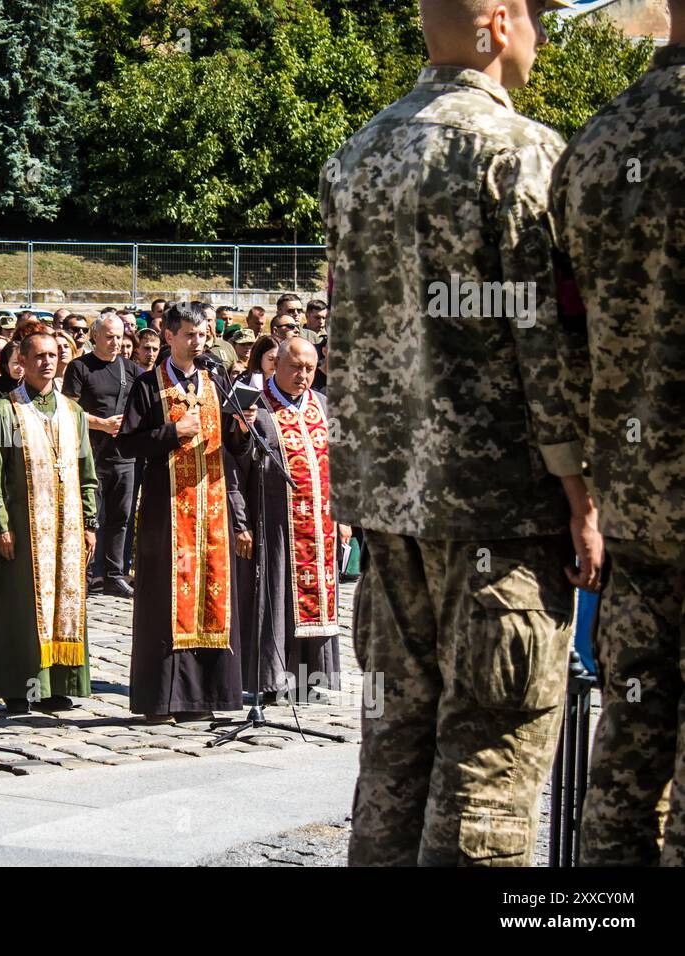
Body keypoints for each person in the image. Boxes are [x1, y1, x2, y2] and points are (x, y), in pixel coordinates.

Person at [320, 0, 600, 867]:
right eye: (537, 19)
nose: (543, 39)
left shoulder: (357, 155)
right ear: (499, 21)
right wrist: (582, 496)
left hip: (389, 515)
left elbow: (346, 336)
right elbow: (546, 348)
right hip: (500, 520)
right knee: (488, 770)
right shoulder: (518, 155)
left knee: (392, 761)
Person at [550, 0, 685, 865]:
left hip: (634, 510)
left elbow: (558, 342)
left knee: (627, 753)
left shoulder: (595, 146)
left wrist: (583, 492)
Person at [117, 302, 249, 722]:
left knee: (212, 595)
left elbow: (236, 446)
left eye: (204, 335)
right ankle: (161, 698)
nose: (199, 342)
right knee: (164, 600)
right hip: (166, 513)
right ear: (169, 336)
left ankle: (205, 695)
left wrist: (241, 428)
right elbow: (126, 443)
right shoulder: (147, 384)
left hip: (211, 509)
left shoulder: (217, 380)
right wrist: (173, 433)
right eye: (190, 335)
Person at [0, 331, 98, 714]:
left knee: (65, 603)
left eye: (53, 355)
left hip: (69, 528)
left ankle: (56, 684)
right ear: (21, 363)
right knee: (21, 608)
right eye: (39, 356)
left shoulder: (73, 412)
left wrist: (91, 520)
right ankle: (18, 686)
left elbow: (86, 471)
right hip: (23, 528)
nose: (48, 362)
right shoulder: (2, 411)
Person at [237, 337, 346, 704]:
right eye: (296, 367)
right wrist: (242, 522)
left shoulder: (323, 405)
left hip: (321, 525)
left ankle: (311, 679)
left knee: (319, 598)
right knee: (278, 598)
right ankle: (272, 680)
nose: (303, 376)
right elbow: (235, 470)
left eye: (310, 369)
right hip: (275, 522)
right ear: (276, 365)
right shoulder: (256, 406)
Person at [62, 313, 139, 598]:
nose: (116, 342)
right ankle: (85, 573)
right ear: (95, 336)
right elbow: (69, 409)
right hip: (90, 453)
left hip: (124, 455)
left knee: (121, 516)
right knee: (89, 517)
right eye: (109, 336)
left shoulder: (130, 369)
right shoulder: (80, 368)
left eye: (119, 336)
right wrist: (101, 424)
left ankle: (113, 574)